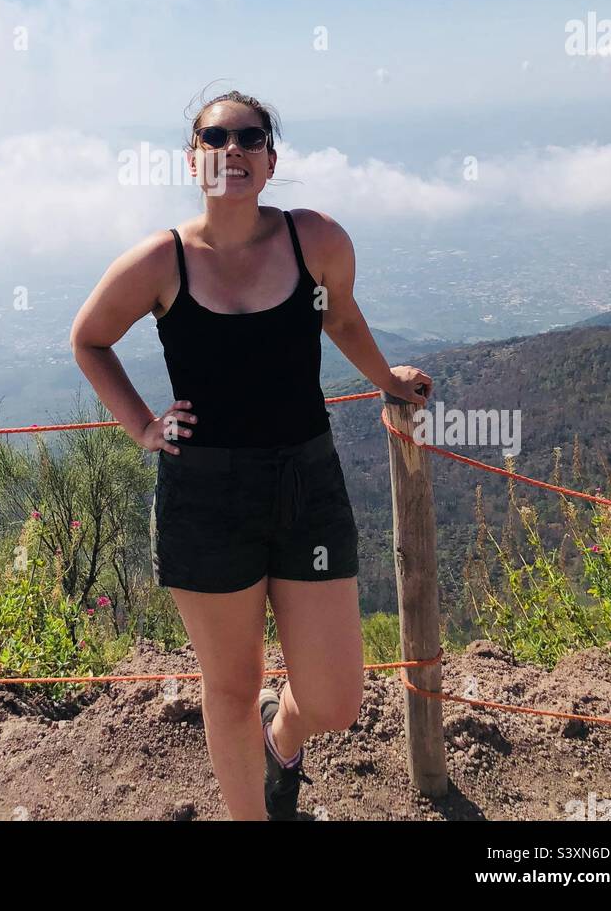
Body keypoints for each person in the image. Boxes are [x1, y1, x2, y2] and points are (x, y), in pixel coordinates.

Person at [70, 89, 432, 821]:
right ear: (191, 157)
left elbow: (343, 317)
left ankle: (285, 737)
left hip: (306, 481)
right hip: (204, 495)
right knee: (229, 686)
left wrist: (385, 380)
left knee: (334, 699)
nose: (231, 149)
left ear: (271, 159)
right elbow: (89, 339)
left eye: (249, 137)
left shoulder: (316, 240)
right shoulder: (160, 259)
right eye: (215, 137)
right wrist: (142, 427)